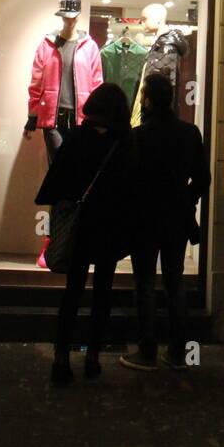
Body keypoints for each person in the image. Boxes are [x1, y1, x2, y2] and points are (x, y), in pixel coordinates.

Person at [36, 82, 133, 386]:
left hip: (80, 227)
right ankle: (92, 357)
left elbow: (56, 183)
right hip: (109, 226)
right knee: (103, 292)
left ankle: (62, 357)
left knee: (72, 292)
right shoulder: (125, 142)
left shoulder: (77, 137)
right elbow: (132, 188)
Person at [120, 73, 211, 371]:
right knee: (175, 282)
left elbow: (129, 180)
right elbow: (202, 179)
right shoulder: (189, 132)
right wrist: (187, 199)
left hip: (145, 217)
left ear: (147, 98)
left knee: (144, 283)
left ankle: (147, 350)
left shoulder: (139, 135)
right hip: (176, 217)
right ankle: (178, 351)